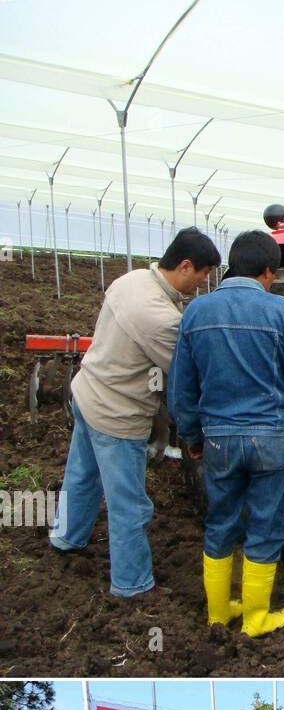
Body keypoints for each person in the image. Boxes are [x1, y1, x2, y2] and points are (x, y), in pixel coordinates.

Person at [167, 230, 284, 638]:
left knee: (220, 521)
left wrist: (191, 435)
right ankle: (257, 618)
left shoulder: (196, 313)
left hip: (219, 440)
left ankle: (219, 613)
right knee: (265, 525)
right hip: (272, 441)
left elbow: (180, 389)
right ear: (267, 272)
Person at [49, 227, 220, 597]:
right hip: (117, 417)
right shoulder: (159, 319)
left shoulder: (132, 280)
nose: (204, 281)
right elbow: (188, 374)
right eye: (204, 272)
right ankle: (132, 584)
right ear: (186, 266)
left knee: (81, 476)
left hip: (87, 393)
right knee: (130, 504)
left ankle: (66, 537)